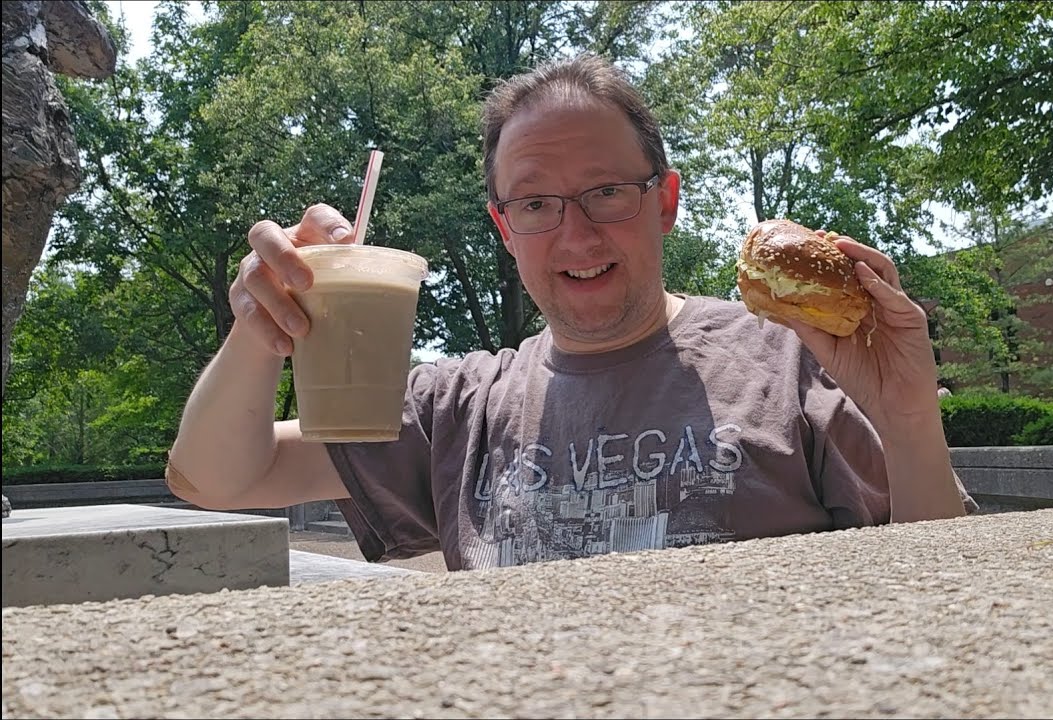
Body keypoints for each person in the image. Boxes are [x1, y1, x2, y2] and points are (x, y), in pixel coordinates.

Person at [166, 53, 976, 571]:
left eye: (606, 192)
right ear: (504, 227)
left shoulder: (795, 360)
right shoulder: (458, 406)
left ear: (665, 201)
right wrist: (257, 330)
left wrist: (907, 418)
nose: (575, 232)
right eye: (537, 203)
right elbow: (215, 476)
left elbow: (936, 586)